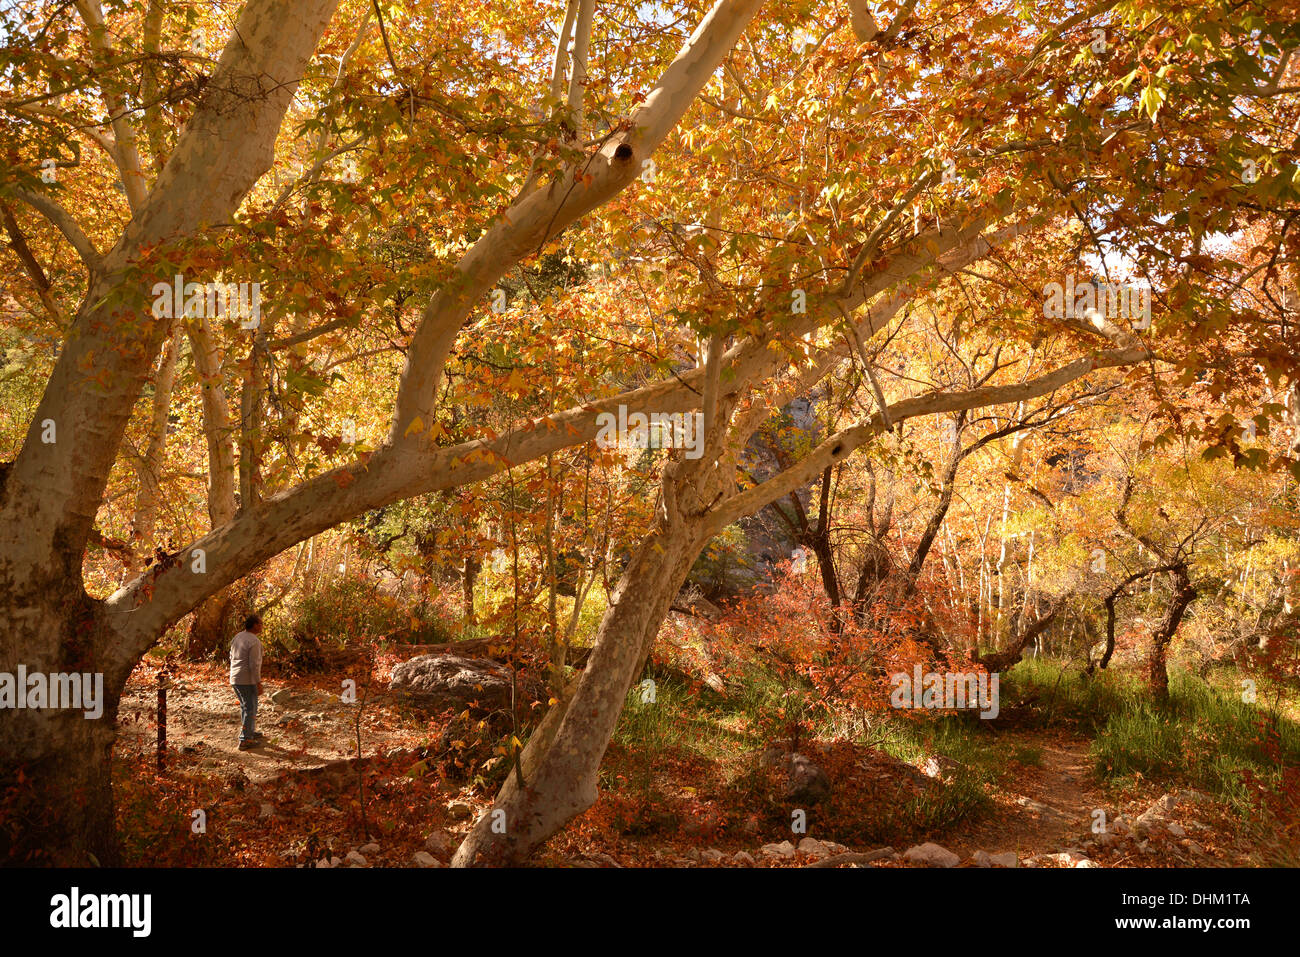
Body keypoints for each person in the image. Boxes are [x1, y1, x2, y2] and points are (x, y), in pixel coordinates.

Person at [230, 614, 266, 751]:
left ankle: (249, 731)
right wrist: (258, 682)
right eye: (260, 624)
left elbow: (231, 656)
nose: (261, 627)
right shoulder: (254, 641)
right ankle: (245, 740)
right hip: (247, 679)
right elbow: (254, 665)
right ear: (255, 625)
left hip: (235, 677)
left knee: (247, 706)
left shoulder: (238, 637)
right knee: (250, 707)